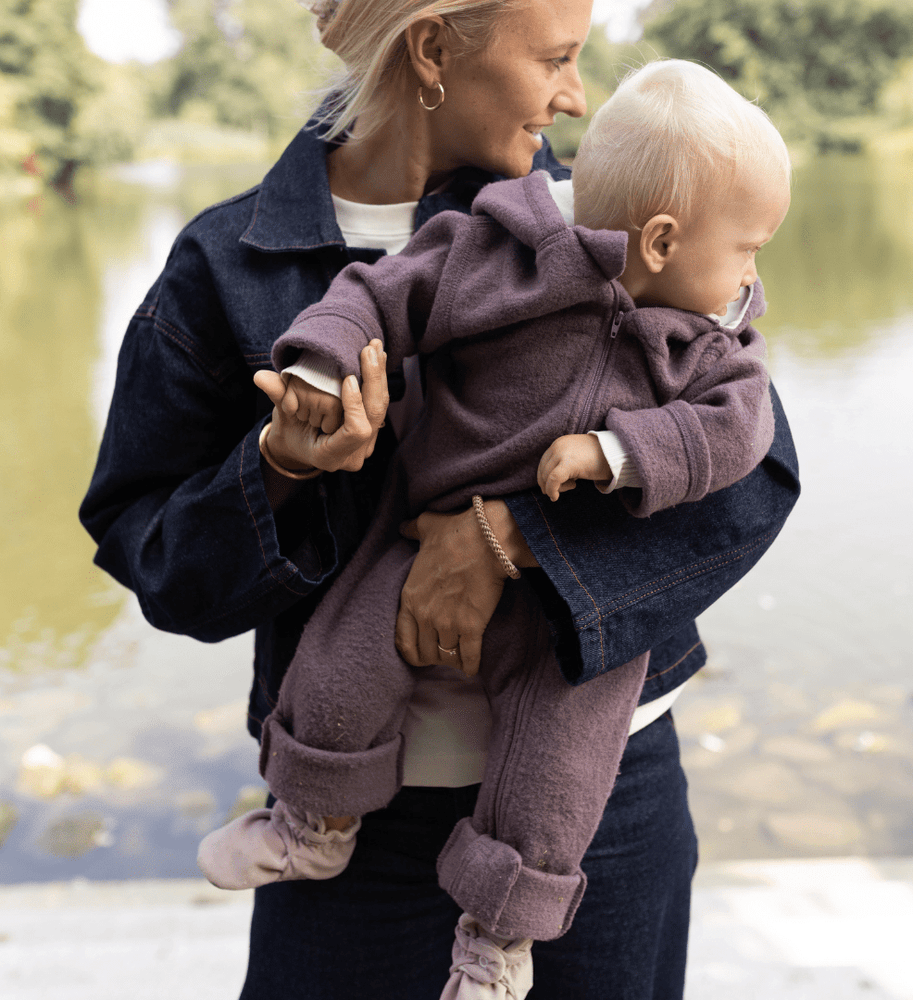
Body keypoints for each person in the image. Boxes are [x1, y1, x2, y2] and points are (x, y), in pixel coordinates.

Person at [78, 1, 801, 997]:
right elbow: (153, 555)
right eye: (554, 57)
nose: (577, 95)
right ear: (430, 50)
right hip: (347, 830)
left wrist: (518, 539)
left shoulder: (620, 222)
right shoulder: (223, 268)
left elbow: (753, 473)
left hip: (601, 815)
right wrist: (279, 467)